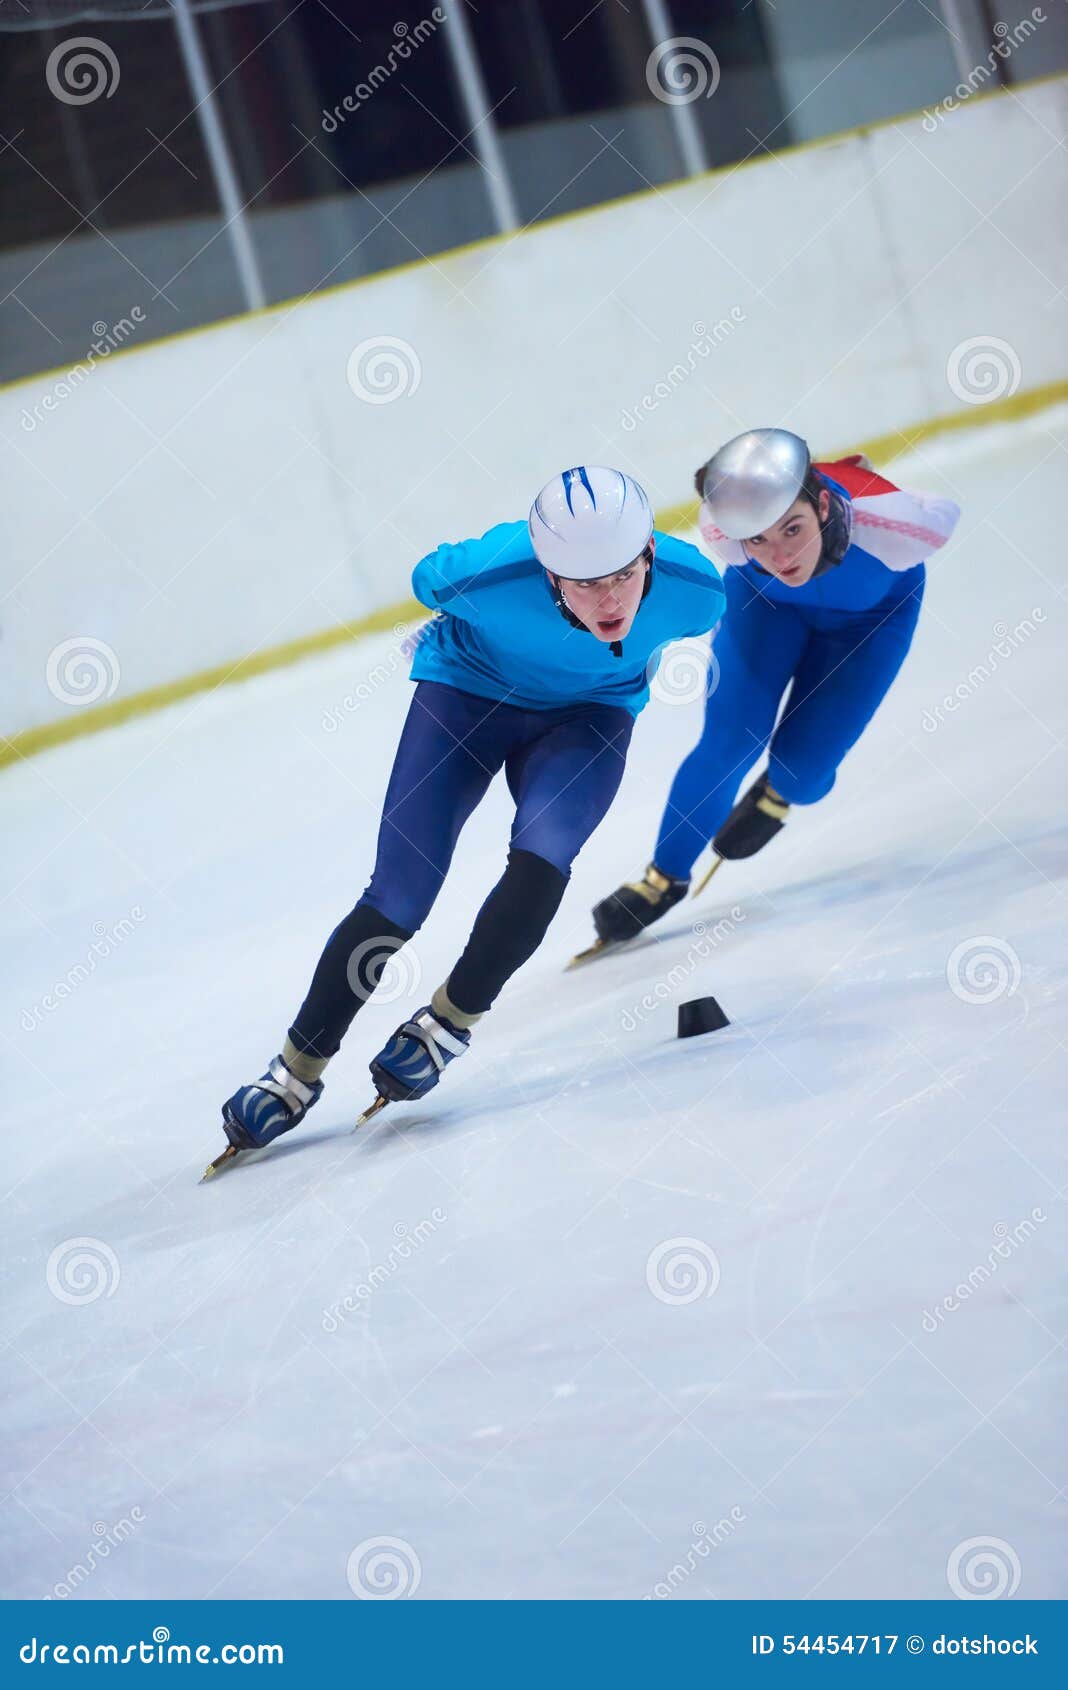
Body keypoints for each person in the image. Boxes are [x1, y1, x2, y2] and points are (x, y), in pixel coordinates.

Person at [212, 466, 725, 1165]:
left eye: (624, 576)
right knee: (398, 895)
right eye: (583, 582)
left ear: (650, 557)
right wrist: (448, 627)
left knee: (546, 856)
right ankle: (295, 1072)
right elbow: (427, 577)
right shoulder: (484, 574)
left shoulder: (696, 594)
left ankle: (449, 1024)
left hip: (589, 718)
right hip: (466, 700)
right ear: (546, 575)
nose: (610, 599)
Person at [590, 428, 961, 946]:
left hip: (869, 623)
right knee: (729, 743)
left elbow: (929, 506)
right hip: (766, 609)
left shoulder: (902, 523)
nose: (781, 555)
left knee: (804, 772)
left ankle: (778, 795)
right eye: (757, 539)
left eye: (792, 529)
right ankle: (661, 879)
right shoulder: (721, 528)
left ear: (825, 506)